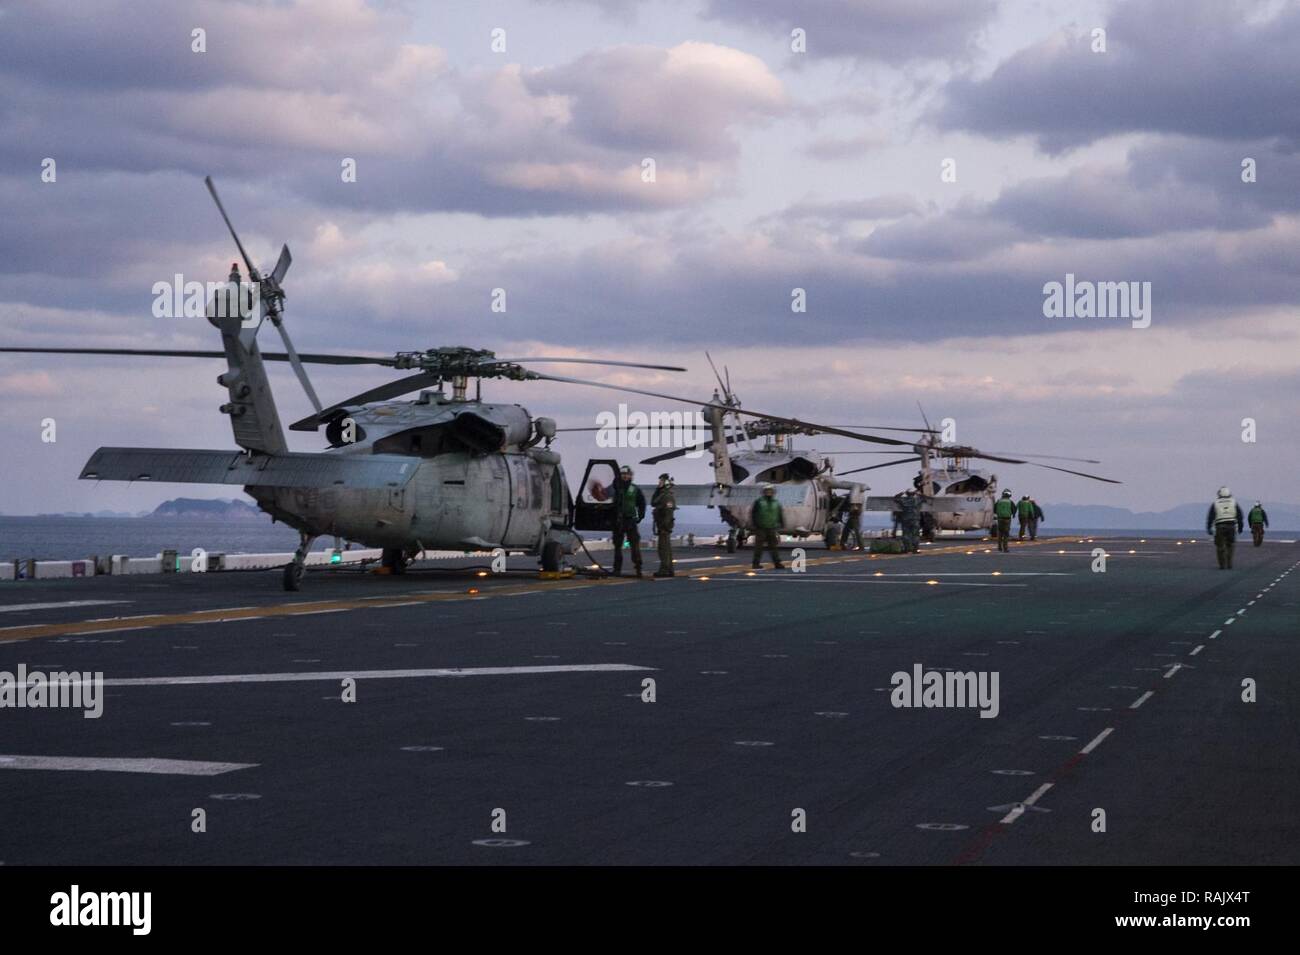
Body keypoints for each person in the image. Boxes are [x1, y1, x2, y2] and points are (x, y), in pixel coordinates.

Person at [611, 465, 646, 577]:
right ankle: (617, 569)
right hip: (618, 521)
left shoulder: (635, 489)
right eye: (623, 474)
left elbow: (642, 503)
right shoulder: (614, 488)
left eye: (627, 474)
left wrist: (640, 516)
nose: (625, 476)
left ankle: (638, 568)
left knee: (634, 545)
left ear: (630, 476)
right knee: (617, 546)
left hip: (630, 520)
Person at [1205, 486, 1244, 570]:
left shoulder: (1216, 503)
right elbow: (1240, 515)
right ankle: (1229, 563)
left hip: (1219, 526)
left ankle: (1222, 565)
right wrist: (1240, 527)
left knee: (1219, 546)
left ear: (1219, 493)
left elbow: (1210, 516)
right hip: (1231, 526)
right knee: (1230, 545)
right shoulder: (1233, 502)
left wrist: (1209, 528)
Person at [750, 484, 784, 569]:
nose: (769, 492)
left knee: (773, 547)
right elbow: (753, 513)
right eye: (767, 491)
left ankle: (777, 563)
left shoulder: (776, 503)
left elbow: (779, 514)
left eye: (770, 491)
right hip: (761, 527)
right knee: (759, 547)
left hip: (772, 527)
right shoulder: (759, 502)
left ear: (773, 492)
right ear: (764, 492)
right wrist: (755, 524)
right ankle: (755, 563)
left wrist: (782, 523)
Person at [651, 473, 677, 577]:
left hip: (664, 527)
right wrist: (657, 489)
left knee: (663, 549)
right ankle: (669, 569)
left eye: (661, 481)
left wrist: (665, 527)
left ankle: (665, 569)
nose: (659, 483)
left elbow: (668, 513)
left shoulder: (667, 496)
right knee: (665, 548)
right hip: (662, 526)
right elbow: (653, 502)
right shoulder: (662, 494)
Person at [895, 489, 922, 554]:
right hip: (915, 520)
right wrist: (918, 493)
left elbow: (895, 498)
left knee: (906, 535)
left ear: (907, 494)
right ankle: (915, 549)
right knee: (915, 534)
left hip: (905, 520)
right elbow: (925, 498)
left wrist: (901, 493)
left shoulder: (903, 500)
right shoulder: (917, 500)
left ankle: (906, 549)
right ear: (913, 494)